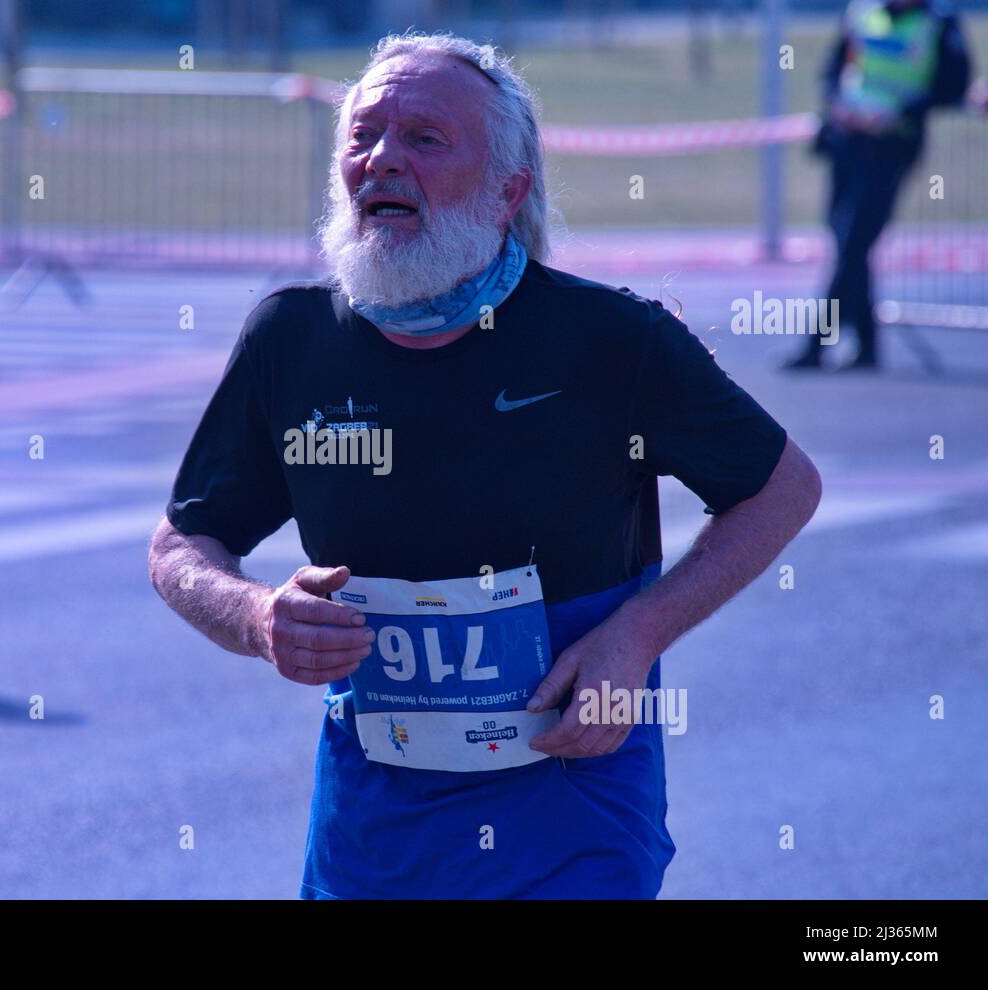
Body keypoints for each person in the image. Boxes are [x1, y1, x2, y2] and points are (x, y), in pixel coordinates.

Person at [149, 32, 822, 899]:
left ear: (510, 191)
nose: (383, 159)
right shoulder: (292, 340)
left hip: (572, 806)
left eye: (425, 139)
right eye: (363, 135)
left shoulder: (611, 341)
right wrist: (256, 618)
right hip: (376, 826)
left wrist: (638, 635)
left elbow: (782, 487)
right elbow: (181, 544)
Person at [784, 0, 972, 372]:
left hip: (891, 145)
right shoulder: (862, 12)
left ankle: (817, 345)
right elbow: (836, 66)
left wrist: (900, 112)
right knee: (845, 240)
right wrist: (837, 105)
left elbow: (953, 85)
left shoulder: (939, 23)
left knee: (855, 241)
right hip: (848, 141)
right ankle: (867, 346)